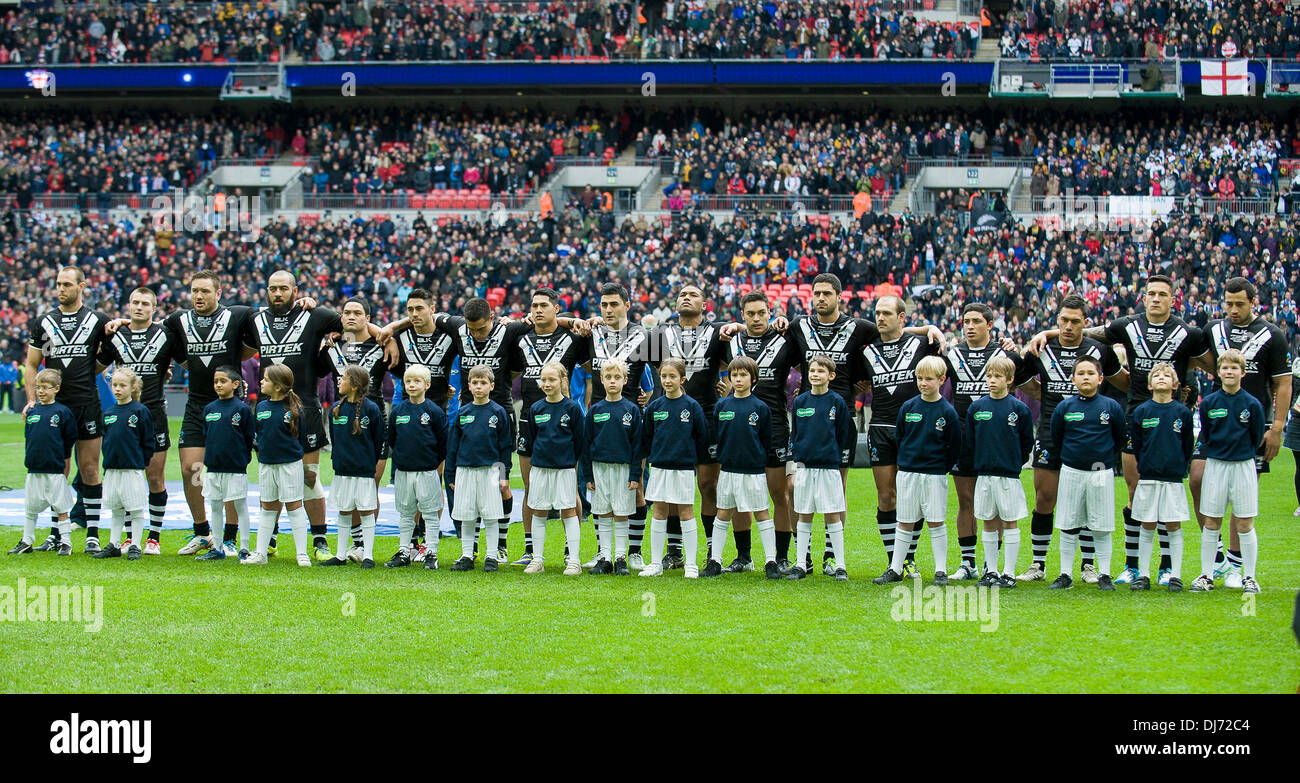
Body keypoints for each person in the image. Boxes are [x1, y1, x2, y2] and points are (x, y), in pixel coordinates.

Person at [1029, 274, 1208, 586]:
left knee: (1165, 496)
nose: (1155, 298)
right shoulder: (1126, 325)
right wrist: (1049, 331)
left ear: (1172, 299)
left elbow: (1209, 362)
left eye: (1162, 294)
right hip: (1136, 414)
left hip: (1168, 417)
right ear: (1144, 296)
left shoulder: (1188, 332)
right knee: (1136, 494)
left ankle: (1167, 568)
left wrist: (1181, 384)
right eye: (1151, 293)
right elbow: (1086, 330)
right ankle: (1132, 565)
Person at [1188, 277, 1292, 587]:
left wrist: (1277, 428)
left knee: (1242, 497)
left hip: (1251, 425)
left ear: (1253, 302)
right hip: (1218, 420)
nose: (1233, 309)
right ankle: (1215, 555)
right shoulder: (1213, 330)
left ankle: (1235, 564)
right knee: (1196, 478)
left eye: (1239, 304)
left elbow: (1283, 383)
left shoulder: (1273, 335)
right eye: (1228, 304)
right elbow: (1195, 358)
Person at [1015, 294, 1126, 582]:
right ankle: (1038, 565)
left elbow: (1120, 379)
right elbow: (1022, 379)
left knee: (1089, 503)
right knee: (1044, 498)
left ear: (1085, 323)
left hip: (1090, 433)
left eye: (1075, 322)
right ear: (1057, 320)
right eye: (1063, 320)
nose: (1067, 326)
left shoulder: (1099, 350)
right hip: (1052, 430)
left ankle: (1088, 565)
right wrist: (1042, 394)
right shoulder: (1041, 348)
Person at [249, 270, 352, 563]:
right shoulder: (254, 320)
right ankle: (269, 541)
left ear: (296, 291)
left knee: (308, 478)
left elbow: (346, 323)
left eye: (284, 288)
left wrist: (319, 311)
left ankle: (319, 540)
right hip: (269, 409)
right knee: (272, 476)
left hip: (304, 408)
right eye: (273, 288)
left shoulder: (314, 315)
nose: (278, 293)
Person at [165, 271, 259, 556]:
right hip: (196, 404)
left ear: (219, 293)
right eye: (194, 291)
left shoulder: (238, 315)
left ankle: (229, 538)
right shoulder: (177, 320)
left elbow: (259, 335)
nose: (199, 296)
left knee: (227, 472)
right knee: (190, 469)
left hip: (229, 404)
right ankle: (202, 532)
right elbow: (159, 337)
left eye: (205, 291)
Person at [26, 266, 116, 553]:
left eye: (66, 284)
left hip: (87, 404)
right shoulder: (43, 322)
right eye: (57, 284)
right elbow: (31, 364)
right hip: (55, 407)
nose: (61, 289)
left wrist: (94, 371)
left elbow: (110, 353)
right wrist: (32, 399)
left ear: (82, 286)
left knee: (89, 469)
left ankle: (92, 533)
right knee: (59, 471)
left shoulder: (97, 320)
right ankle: (57, 532)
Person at [437, 296, 533, 563]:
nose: (476, 335)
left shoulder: (508, 329)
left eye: (481, 329)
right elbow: (428, 317)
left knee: (501, 484)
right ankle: (470, 549)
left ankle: (500, 545)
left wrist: (572, 320)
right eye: (472, 330)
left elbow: (543, 321)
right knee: (465, 489)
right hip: (467, 414)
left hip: (499, 412)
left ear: (493, 318)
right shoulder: (457, 327)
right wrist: (386, 328)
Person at [858, 294, 943, 577]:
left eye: (886, 313)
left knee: (911, 499)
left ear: (902, 318)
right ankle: (895, 561)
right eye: (877, 313)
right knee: (886, 497)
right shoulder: (866, 350)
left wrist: (930, 327)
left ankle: (909, 558)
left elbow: (939, 356)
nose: (880, 318)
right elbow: (856, 382)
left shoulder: (921, 344)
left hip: (913, 427)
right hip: (880, 428)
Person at [649, 283, 729, 568]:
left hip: (707, 414)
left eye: (693, 294)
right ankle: (673, 551)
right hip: (670, 416)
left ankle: (711, 549)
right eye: (682, 294)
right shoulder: (660, 333)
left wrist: (729, 387)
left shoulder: (718, 332)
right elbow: (636, 366)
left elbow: (737, 363)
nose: (686, 297)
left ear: (704, 304)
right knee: (670, 486)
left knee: (708, 484)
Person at [98, 286, 182, 556]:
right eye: (135, 302)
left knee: (154, 477)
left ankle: (153, 537)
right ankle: (126, 537)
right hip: (122, 417)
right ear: (128, 305)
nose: (139, 307)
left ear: (154, 308)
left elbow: (186, 361)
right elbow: (96, 365)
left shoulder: (165, 336)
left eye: (145, 303)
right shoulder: (115, 335)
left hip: (154, 413)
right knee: (123, 480)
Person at [943, 302, 1023, 580]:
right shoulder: (952, 355)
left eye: (976, 321)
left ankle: (994, 565)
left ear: (990, 325)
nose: (970, 326)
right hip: (965, 435)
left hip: (996, 438)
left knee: (998, 505)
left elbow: (1028, 373)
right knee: (966, 501)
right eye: (966, 321)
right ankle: (968, 563)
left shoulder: (1005, 353)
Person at [513, 288, 591, 565]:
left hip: (563, 420)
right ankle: (530, 548)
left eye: (544, 305)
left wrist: (573, 321)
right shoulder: (519, 335)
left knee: (570, 490)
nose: (537, 310)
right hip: (530, 418)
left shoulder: (574, 338)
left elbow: (596, 368)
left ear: (557, 308)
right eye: (534, 305)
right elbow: (506, 372)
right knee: (530, 488)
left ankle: (572, 551)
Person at [723, 291, 798, 571]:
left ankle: (780, 556)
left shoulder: (786, 339)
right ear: (742, 314)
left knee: (779, 494)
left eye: (761, 313)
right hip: (739, 431)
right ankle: (744, 558)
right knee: (740, 497)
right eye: (750, 314)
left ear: (770, 312)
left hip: (776, 426)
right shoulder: (730, 340)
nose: (756, 318)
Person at [875, 356, 960, 585]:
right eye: (920, 378)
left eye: (929, 379)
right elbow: (900, 437)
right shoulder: (909, 407)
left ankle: (941, 570)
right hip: (908, 473)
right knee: (904, 521)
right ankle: (895, 568)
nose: (923, 383)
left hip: (934, 474)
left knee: (936, 521)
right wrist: (906, 461)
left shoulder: (947, 412)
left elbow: (954, 445)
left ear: (942, 379)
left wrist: (941, 467)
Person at [319, 295, 392, 563]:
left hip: (373, 420)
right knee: (348, 491)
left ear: (368, 319)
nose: (351, 316)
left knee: (369, 485)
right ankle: (357, 545)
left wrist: (386, 333)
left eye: (357, 313)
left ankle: (364, 545)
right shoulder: (330, 346)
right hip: (343, 420)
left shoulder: (383, 344)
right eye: (346, 312)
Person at [584, 283, 653, 566]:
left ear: (627, 304)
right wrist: (575, 320)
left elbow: (666, 370)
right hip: (600, 419)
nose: (608, 309)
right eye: (603, 305)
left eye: (614, 304)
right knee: (601, 494)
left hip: (632, 420)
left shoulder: (648, 335)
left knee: (635, 489)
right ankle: (604, 552)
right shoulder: (592, 333)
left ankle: (633, 552)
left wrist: (648, 401)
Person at [1048, 356, 1127, 591]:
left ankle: (1104, 574)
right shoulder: (1065, 407)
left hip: (1100, 472)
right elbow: (1057, 436)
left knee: (1101, 525)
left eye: (1090, 373)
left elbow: (1120, 437)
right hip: (1071, 471)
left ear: (1100, 378)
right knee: (1068, 523)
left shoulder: (1111, 407)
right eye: (1080, 373)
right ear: (1073, 379)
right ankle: (1065, 574)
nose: (1085, 377)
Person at [1192, 350, 1265, 594]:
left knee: (1244, 522)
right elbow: (1207, 433)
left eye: (1234, 368)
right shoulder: (1210, 402)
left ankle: (1250, 577)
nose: (1229, 372)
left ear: (1242, 373)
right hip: (1216, 464)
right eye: (1225, 368)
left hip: (1243, 466)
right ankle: (1207, 575)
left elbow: (1255, 438)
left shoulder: (1252, 404)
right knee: (1212, 521)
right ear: (1218, 373)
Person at [637, 358, 710, 578]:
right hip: (659, 467)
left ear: (682, 379)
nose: (667, 381)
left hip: (684, 469)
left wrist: (689, 460)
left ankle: (691, 564)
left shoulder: (692, 406)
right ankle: (656, 563)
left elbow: (702, 438)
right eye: (664, 377)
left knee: (686, 512)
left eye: (672, 376)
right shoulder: (654, 407)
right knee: (659, 511)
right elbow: (646, 439)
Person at [704, 355, 776, 578]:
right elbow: (717, 435)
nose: (738, 379)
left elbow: (766, 439)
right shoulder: (722, 405)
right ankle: (714, 560)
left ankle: (771, 561)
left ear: (753, 378)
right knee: (723, 513)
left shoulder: (760, 407)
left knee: (761, 513)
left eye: (743, 375)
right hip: (728, 470)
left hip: (753, 471)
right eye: (734, 375)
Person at [786, 354, 855, 581]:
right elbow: (795, 433)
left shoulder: (837, 402)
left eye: (821, 371)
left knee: (832, 514)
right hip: (805, 467)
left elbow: (844, 434)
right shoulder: (800, 402)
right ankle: (800, 564)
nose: (815, 375)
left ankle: (840, 565)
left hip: (828, 467)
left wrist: (833, 455)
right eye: (812, 371)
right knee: (804, 515)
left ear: (831, 376)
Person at [1128, 362, 1195, 592]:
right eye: (1156, 375)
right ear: (1149, 385)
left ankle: (1175, 575)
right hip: (1148, 477)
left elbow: (1187, 445)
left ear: (1175, 384)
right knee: (1147, 524)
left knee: (1173, 525)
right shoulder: (1142, 412)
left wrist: (1177, 467)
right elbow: (1137, 445)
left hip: (1173, 479)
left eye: (1167, 375)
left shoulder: (1182, 413)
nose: (1162, 378)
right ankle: (1143, 575)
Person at [968, 356, 1034, 588]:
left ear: (1009, 379)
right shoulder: (977, 408)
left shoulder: (1019, 409)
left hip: (1008, 475)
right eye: (989, 376)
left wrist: (1015, 462)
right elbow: (971, 440)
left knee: (1009, 522)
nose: (992, 381)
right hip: (984, 475)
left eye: (997, 376)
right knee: (987, 522)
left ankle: (1008, 573)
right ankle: (991, 571)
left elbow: (1027, 442)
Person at [520, 362, 587, 575]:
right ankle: (537, 559)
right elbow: (531, 439)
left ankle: (574, 560)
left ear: (562, 381)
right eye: (544, 380)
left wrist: (568, 460)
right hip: (540, 468)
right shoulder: (536, 408)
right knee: (539, 511)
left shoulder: (573, 408)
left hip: (564, 469)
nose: (547, 384)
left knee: (567, 511)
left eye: (552, 379)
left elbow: (579, 440)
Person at [445, 365, 514, 572]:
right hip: (465, 471)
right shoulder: (462, 413)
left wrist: (503, 476)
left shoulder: (498, 412)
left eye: (483, 383)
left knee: (491, 515)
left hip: (490, 471)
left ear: (491, 386)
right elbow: (453, 447)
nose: (478, 386)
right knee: (467, 515)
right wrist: (450, 475)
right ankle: (467, 555)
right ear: (468, 386)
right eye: (475, 383)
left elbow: (505, 447)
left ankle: (491, 556)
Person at [245, 364, 312, 567]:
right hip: (267, 465)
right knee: (267, 508)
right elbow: (258, 435)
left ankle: (302, 554)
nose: (261, 382)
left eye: (265, 379)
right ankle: (260, 553)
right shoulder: (262, 407)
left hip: (290, 465)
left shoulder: (296, 409)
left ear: (278, 386)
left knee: (294, 506)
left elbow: (302, 440)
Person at [320, 365, 386, 569]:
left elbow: (378, 440)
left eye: (343, 378)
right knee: (344, 511)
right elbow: (335, 440)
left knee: (366, 512)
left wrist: (370, 463)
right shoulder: (335, 410)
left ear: (355, 385)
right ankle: (340, 555)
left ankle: (368, 555)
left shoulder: (371, 409)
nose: (339, 381)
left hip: (364, 471)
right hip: (342, 471)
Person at [384, 364, 449, 569]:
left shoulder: (434, 411)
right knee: (406, 513)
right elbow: (392, 439)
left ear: (427, 385)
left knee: (429, 513)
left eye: (417, 381)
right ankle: (404, 550)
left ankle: (431, 552)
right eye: (408, 381)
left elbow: (443, 442)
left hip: (427, 471)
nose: (412, 385)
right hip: (403, 471)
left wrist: (432, 462)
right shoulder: (398, 411)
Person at [583, 359, 642, 575]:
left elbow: (638, 447)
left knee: (622, 513)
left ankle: (620, 558)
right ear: (602, 380)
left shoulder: (632, 410)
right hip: (599, 469)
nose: (613, 381)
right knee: (603, 513)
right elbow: (586, 444)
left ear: (625, 380)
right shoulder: (595, 410)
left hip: (624, 470)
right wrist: (588, 474)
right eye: (608, 377)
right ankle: (605, 558)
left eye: (617, 377)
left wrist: (636, 474)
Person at [9, 369, 76, 555]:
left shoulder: (62, 412)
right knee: (30, 508)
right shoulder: (32, 411)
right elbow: (29, 436)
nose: (41, 391)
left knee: (61, 507)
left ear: (56, 389)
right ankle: (27, 541)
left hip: (54, 469)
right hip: (34, 468)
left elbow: (69, 438)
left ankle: (66, 542)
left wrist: (59, 457)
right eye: (38, 388)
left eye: (45, 388)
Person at [93, 367, 153, 561]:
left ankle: (135, 544)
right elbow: (107, 439)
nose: (117, 389)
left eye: (122, 385)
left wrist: (140, 462)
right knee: (116, 508)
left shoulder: (140, 411)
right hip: (112, 469)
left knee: (135, 508)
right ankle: (114, 544)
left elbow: (147, 441)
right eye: (114, 385)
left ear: (133, 387)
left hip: (132, 468)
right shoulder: (109, 412)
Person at [196, 366, 254, 562]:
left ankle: (244, 548)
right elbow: (207, 436)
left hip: (235, 467)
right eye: (216, 381)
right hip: (213, 467)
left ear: (235, 384)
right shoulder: (209, 409)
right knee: (215, 506)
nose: (218, 384)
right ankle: (218, 548)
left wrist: (241, 460)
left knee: (240, 505)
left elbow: (248, 438)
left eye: (223, 381)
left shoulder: (242, 409)